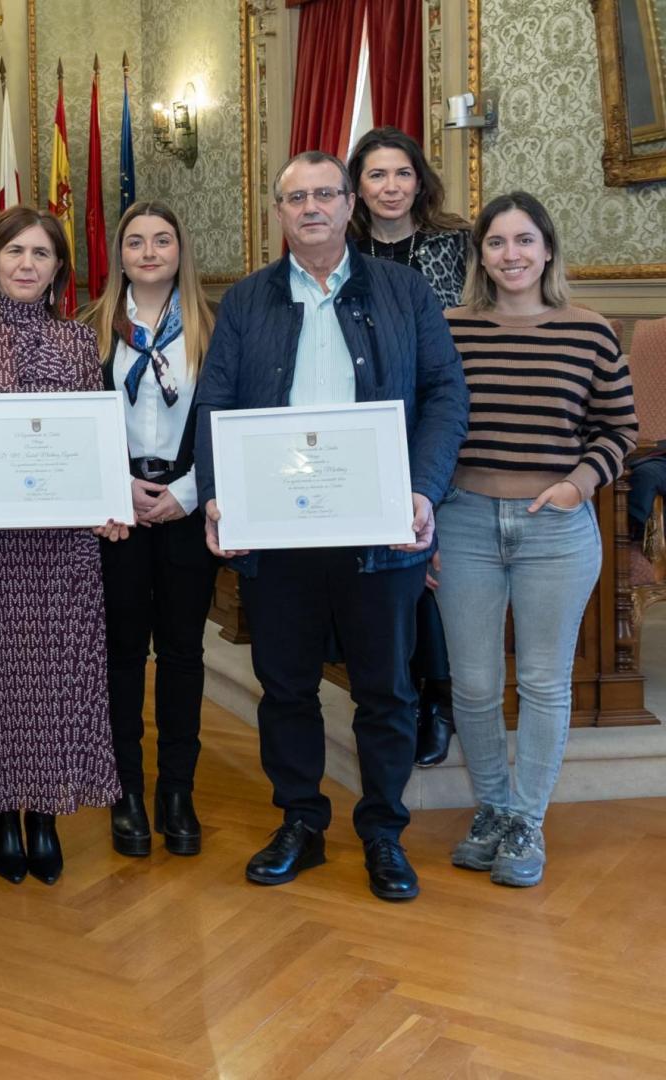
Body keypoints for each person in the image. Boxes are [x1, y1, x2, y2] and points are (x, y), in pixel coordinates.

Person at [196, 151, 468, 902]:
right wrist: (219, 495)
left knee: (385, 691)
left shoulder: (404, 291)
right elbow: (214, 404)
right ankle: (301, 822)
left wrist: (423, 488)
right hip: (279, 535)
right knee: (284, 688)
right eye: (295, 197)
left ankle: (382, 831)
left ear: (349, 205)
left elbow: (446, 394)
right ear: (278, 213)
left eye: (325, 194)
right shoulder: (248, 301)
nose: (311, 207)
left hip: (380, 531)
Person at [0, 205, 127, 886]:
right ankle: (2, 812)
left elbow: (94, 437)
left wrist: (105, 501)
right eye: (14, 251)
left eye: (41, 254)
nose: (27, 265)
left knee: (58, 677)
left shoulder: (76, 342)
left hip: (61, 547)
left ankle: (46, 813)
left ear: (58, 268)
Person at [440, 192, 636, 887]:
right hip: (463, 521)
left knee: (547, 684)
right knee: (474, 682)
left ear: (548, 249)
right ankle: (491, 808)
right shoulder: (451, 328)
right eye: (497, 243)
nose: (512, 255)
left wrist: (578, 484)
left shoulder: (589, 331)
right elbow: (429, 431)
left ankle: (527, 821)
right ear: (481, 255)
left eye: (525, 240)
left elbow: (619, 430)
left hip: (556, 523)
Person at [80, 202, 219, 860]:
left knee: (185, 656)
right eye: (135, 241)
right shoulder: (91, 331)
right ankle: (128, 792)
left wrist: (188, 494)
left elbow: (225, 422)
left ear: (179, 250)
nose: (150, 251)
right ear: (120, 255)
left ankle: (177, 792)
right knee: (124, 656)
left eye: (163, 239)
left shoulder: (210, 329)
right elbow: (78, 429)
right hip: (119, 516)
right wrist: (117, 487)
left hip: (186, 507)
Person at [346, 126, 472, 767]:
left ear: (419, 180)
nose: (390, 187)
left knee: (431, 565)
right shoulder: (342, 248)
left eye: (401, 173)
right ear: (356, 188)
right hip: (366, 436)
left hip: (441, 424)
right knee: (400, 571)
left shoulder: (459, 242)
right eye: (376, 175)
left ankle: (439, 699)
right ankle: (404, 693)